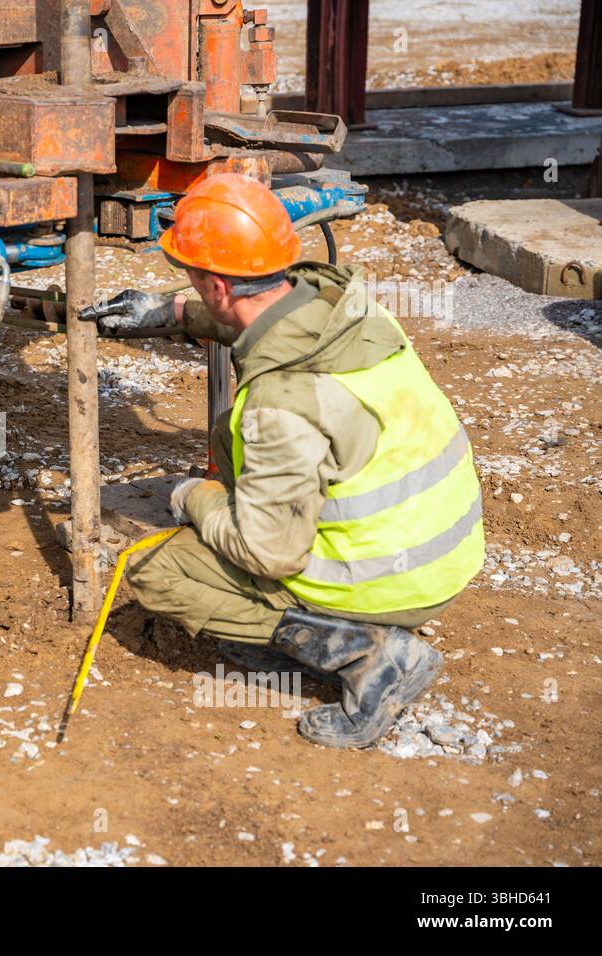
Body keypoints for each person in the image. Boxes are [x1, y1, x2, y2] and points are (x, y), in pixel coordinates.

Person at [84, 173, 484, 748]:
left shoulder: (280, 405)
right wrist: (171, 313)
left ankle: (370, 655)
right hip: (442, 551)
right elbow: (271, 321)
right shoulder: (350, 312)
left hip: (390, 582)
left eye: (195, 283)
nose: (194, 291)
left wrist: (189, 495)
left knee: (160, 575)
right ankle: (320, 626)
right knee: (229, 437)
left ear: (218, 288)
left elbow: (268, 553)